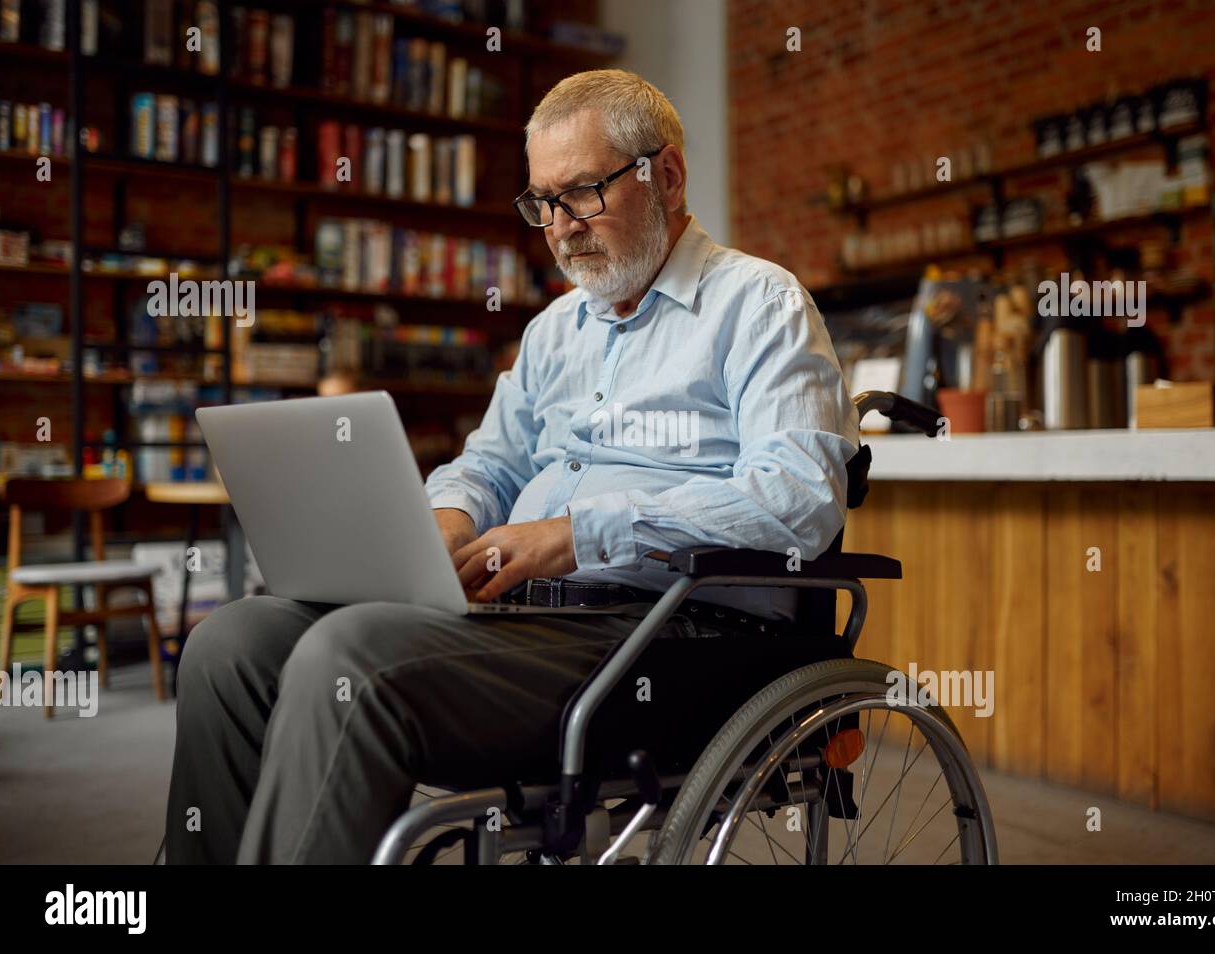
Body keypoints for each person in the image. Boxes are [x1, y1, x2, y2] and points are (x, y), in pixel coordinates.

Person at [164, 68, 859, 864]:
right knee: (234, 640)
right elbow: (489, 463)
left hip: (670, 636)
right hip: (528, 620)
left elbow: (800, 500)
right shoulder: (554, 331)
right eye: (542, 203)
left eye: (583, 194)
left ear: (665, 175)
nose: (560, 228)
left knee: (347, 653)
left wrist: (571, 536)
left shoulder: (760, 305)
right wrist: (446, 523)